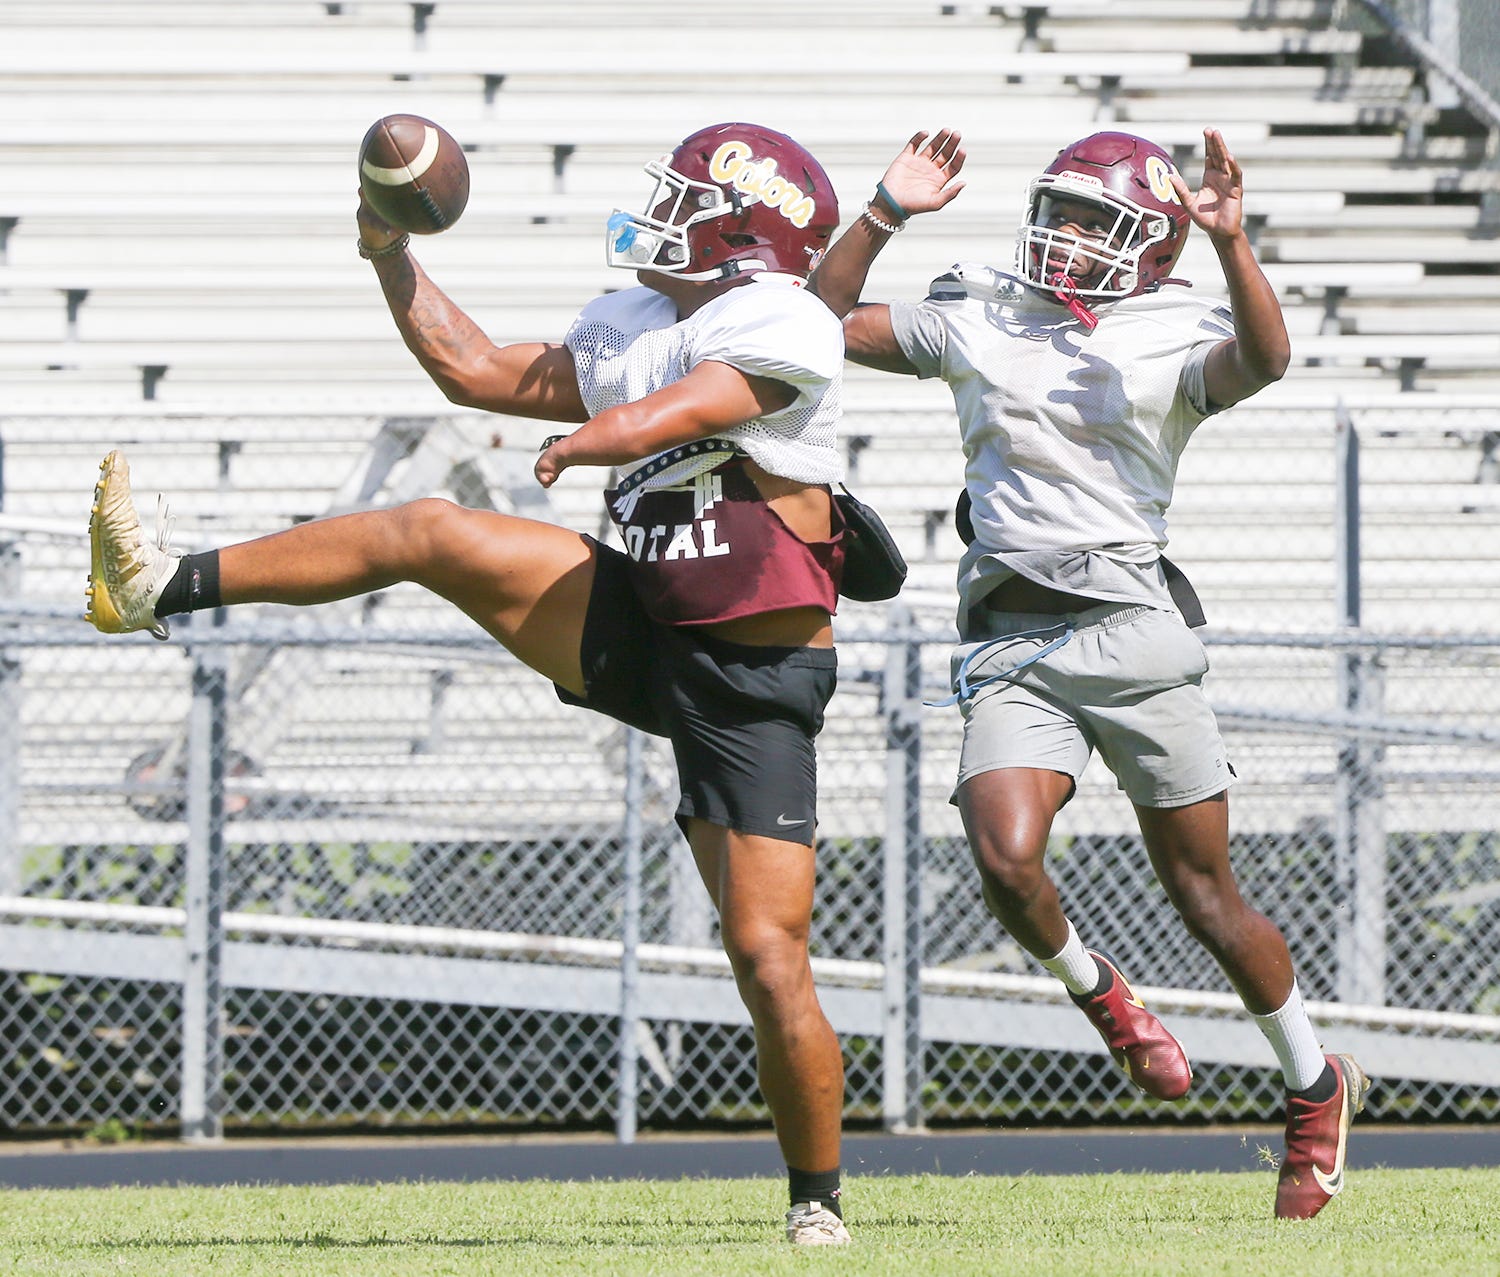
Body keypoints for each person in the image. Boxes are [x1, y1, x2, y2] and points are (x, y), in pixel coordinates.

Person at [86, 121, 857, 1246]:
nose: (662, 213)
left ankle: (817, 1201)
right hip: (646, 615)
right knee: (429, 529)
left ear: (743, 239)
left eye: (688, 201)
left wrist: (586, 445)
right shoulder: (642, 315)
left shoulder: (781, 317)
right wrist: (389, 252)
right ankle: (158, 584)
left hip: (754, 670)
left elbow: (690, 411)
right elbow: (477, 368)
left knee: (764, 952)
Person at [810, 127, 1368, 1220]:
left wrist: (1235, 246)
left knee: (1206, 894)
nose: (1065, 236)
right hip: (1011, 635)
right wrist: (883, 209)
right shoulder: (981, 309)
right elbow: (814, 321)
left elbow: (1264, 361)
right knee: (1004, 859)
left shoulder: (1177, 325)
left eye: (1094, 220)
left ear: (1154, 247)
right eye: (1057, 211)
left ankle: (1312, 1081)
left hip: (1133, 629)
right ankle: (1108, 999)